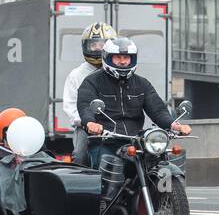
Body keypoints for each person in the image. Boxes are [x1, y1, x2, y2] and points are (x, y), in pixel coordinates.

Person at [76, 37, 192, 170]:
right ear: (107, 58)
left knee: (160, 166)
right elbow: (86, 106)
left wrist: (175, 126)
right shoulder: (92, 82)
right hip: (106, 141)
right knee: (103, 169)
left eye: (127, 58)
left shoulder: (142, 84)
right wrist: (91, 123)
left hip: (137, 141)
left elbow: (158, 110)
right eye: (118, 58)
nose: (123, 62)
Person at [63, 23, 117, 161]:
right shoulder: (76, 75)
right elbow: (70, 107)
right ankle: (79, 181)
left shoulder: (119, 73)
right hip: (86, 128)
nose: (98, 49)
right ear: (85, 46)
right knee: (79, 156)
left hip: (116, 125)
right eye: (93, 45)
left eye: (102, 45)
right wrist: (88, 123)